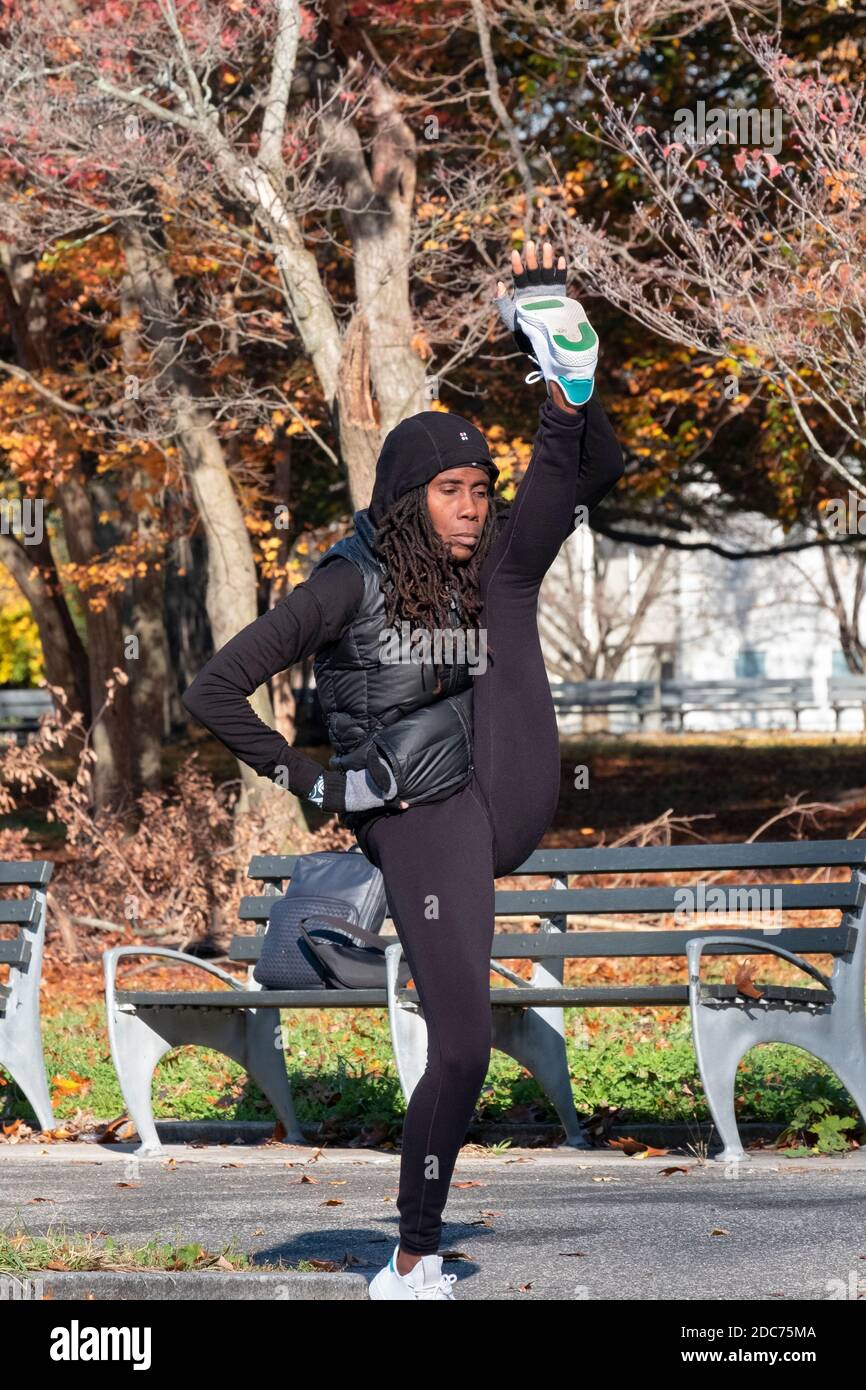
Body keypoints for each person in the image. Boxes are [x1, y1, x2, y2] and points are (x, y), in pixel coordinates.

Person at [182, 239, 624, 1300]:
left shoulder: (491, 569)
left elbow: (594, 476)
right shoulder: (347, 583)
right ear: (405, 496)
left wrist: (552, 371)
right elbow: (212, 689)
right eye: (450, 492)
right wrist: (316, 785)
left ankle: (555, 361)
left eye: (480, 488)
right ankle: (413, 1256)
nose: (471, 507)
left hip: (499, 790)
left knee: (525, 557)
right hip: (419, 820)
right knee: (463, 1045)